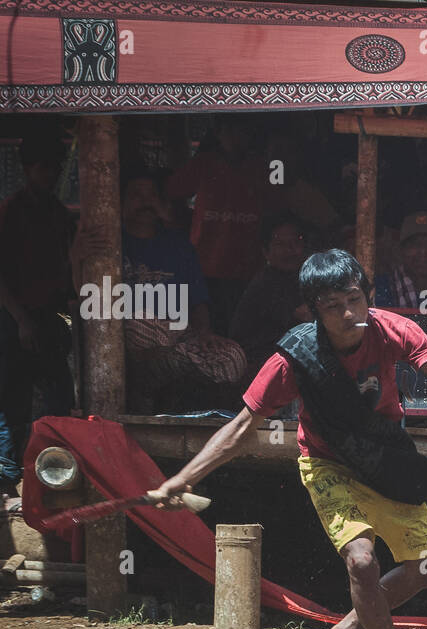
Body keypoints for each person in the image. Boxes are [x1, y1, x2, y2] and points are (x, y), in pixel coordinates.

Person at [152, 250, 427, 629]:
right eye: (334, 305)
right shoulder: (293, 357)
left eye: (355, 299)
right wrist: (183, 477)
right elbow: (240, 427)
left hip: (385, 460)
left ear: (367, 296)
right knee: (361, 560)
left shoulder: (392, 328)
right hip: (328, 464)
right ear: (313, 309)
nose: (349, 314)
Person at [0, 131, 79, 513]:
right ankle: (6, 485)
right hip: (15, 317)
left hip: (49, 318)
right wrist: (22, 319)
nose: (49, 174)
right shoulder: (12, 209)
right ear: (29, 169)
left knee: (60, 400)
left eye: (54, 168)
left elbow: (70, 270)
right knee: (13, 400)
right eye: (43, 167)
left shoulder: (61, 215)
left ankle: (52, 478)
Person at [120, 170, 247, 412]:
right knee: (143, 326)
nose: (146, 202)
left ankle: (150, 382)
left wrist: (204, 334)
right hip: (134, 334)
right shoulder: (114, 242)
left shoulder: (178, 245)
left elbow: (198, 300)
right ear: (121, 202)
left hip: (178, 336)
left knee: (233, 359)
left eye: (152, 196)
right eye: (137, 195)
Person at [166, 116, 265, 336]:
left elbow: (276, 201)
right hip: (206, 264)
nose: (236, 137)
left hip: (247, 265)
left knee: (242, 330)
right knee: (209, 330)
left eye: (243, 130)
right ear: (218, 133)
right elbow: (171, 192)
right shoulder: (204, 163)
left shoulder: (261, 166)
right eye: (230, 130)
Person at [229, 212, 311, 378]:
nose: (290, 250)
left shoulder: (299, 277)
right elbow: (306, 315)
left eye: (296, 242)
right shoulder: (266, 282)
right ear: (266, 252)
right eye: (281, 244)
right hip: (261, 365)